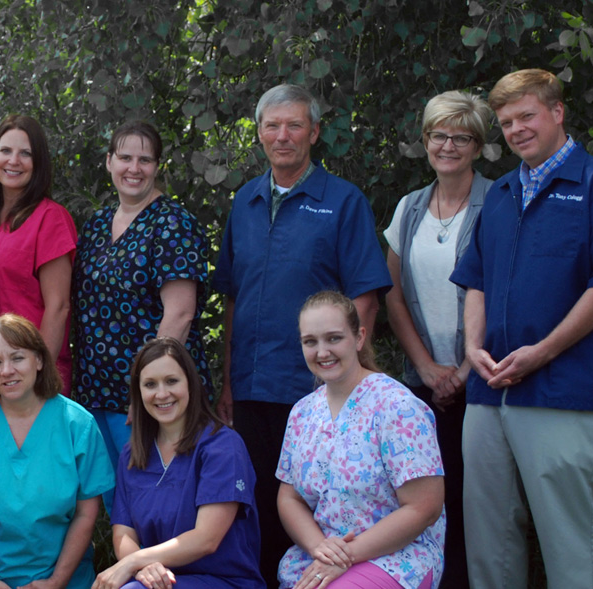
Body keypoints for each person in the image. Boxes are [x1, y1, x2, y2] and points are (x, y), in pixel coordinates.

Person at [450, 69, 593, 589]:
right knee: (489, 542)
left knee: (570, 542)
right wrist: (472, 348)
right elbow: (476, 282)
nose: (516, 130)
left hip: (566, 392)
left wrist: (542, 353)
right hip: (489, 393)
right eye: (507, 122)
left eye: (526, 116)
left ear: (557, 112)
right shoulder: (502, 192)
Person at [212, 84, 392, 586]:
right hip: (250, 389)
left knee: (315, 510)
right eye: (272, 125)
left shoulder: (343, 201)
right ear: (260, 133)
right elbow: (232, 299)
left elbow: (365, 300)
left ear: (314, 132)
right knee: (256, 508)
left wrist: (345, 382)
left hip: (315, 392)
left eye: (294, 125)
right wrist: (226, 382)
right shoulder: (245, 201)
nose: (283, 136)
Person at [383, 91, 494, 589]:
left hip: (490, 379)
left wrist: (468, 368)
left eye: (461, 137)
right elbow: (393, 296)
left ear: (478, 145)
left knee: (483, 503)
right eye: (439, 135)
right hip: (425, 386)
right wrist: (428, 368)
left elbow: (502, 293)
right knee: (429, 503)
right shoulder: (409, 209)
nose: (448, 146)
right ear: (425, 141)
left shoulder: (501, 201)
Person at [73, 120, 213, 492]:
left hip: (154, 397)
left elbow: (180, 314)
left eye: (145, 160)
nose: (134, 168)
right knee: (114, 498)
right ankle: (126, 555)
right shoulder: (97, 225)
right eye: (125, 157)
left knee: (154, 496)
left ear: (157, 167)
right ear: (108, 162)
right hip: (96, 390)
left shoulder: (173, 223)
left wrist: (144, 391)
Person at [0, 314, 113, 589]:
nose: (6, 371)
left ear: (38, 360)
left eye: (17, 358)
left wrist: (55, 582)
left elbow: (87, 514)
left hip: (61, 580)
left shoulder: (78, 424)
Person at [277, 291, 445, 589]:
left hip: (395, 557)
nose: (322, 351)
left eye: (334, 338)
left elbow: (425, 507)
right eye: (310, 341)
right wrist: (320, 548)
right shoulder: (302, 413)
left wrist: (346, 556)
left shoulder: (397, 406)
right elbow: (289, 498)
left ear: (358, 338)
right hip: (323, 557)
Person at [93, 338, 264, 589]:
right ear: (139, 393)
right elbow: (123, 533)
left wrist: (135, 562)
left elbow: (206, 539)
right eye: (150, 384)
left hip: (223, 581)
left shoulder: (222, 446)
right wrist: (144, 566)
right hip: (157, 580)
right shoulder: (133, 454)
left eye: (171, 381)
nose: (162, 394)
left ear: (191, 385)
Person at [0, 114, 75, 387]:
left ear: (38, 164)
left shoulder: (51, 219)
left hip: (31, 377)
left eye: (26, 153)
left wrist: (39, 376)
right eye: (6, 151)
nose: (14, 161)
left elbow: (58, 307)